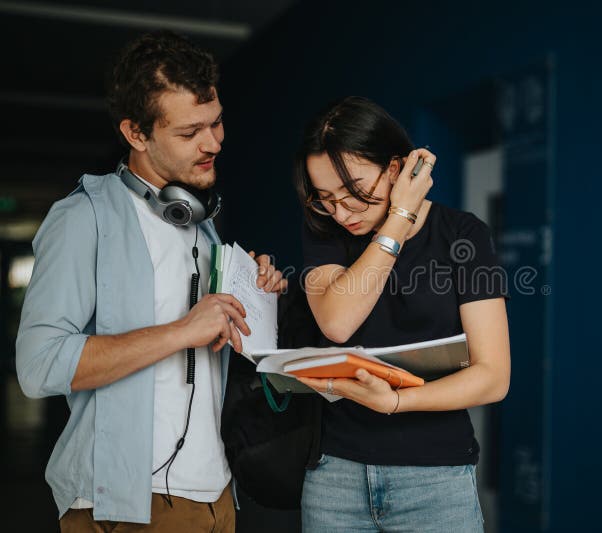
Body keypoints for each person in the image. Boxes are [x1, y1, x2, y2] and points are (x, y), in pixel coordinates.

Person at [15, 30, 284, 531]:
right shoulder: (82, 219)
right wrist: (183, 330)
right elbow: (38, 365)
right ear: (136, 134)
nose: (213, 143)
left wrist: (253, 298)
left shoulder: (198, 224)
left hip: (217, 496)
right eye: (189, 133)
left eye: (217, 122)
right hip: (129, 502)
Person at [293, 96, 511, 532]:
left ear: (395, 169)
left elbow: (493, 376)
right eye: (325, 198)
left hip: (436, 477)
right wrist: (399, 218)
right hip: (336, 474)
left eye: (354, 190)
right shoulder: (326, 233)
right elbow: (338, 323)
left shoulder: (463, 234)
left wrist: (396, 402)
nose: (341, 211)